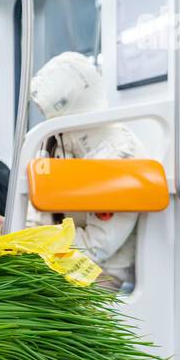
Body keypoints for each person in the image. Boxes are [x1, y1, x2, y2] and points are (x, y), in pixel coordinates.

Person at [28, 51, 141, 290]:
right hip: (62, 256)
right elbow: (40, 212)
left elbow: (96, 247)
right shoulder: (57, 140)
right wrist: (22, 233)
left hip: (100, 272)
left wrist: (35, 241)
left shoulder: (118, 155)